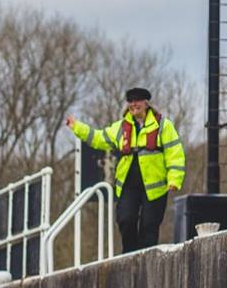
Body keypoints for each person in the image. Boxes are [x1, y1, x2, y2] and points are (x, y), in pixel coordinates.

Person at [66, 88, 185, 254]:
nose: (133, 104)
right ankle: (130, 256)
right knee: (125, 219)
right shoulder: (121, 127)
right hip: (128, 184)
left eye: (137, 101)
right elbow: (98, 138)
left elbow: (175, 153)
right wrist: (77, 127)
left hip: (154, 186)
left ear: (146, 103)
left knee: (149, 225)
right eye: (130, 101)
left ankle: (146, 260)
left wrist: (174, 179)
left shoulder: (163, 125)